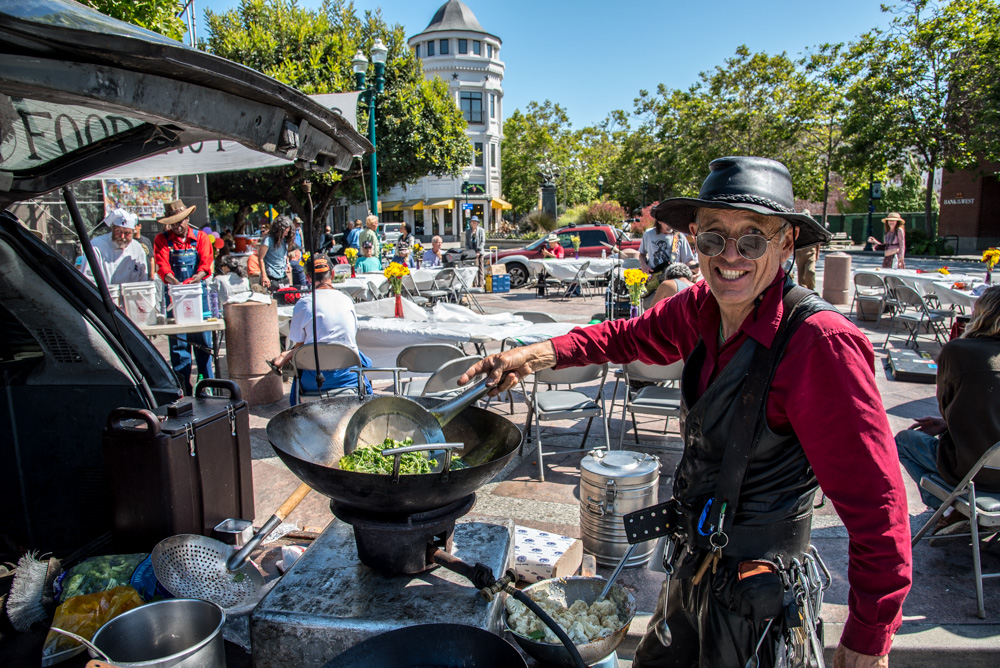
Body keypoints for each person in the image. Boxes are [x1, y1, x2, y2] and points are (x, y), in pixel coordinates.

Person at [460, 157, 911, 668]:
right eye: (714, 238)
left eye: (753, 240)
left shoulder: (820, 344)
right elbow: (622, 336)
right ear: (694, 238)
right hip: (691, 570)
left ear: (786, 243)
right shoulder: (699, 308)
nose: (730, 257)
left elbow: (878, 506)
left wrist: (870, 636)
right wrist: (531, 355)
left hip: (759, 598)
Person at [895, 286, 1000, 534]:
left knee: (903, 441)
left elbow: (946, 404)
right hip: (991, 459)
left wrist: (948, 421)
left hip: (973, 470)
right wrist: (947, 424)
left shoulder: (959, 351)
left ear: (981, 313)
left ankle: (951, 508)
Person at [269, 257, 372, 404]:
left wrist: (286, 355)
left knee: (301, 363)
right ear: (333, 274)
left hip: (314, 380)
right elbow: (349, 337)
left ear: (308, 278)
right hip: (348, 377)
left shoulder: (304, 304)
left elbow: (299, 343)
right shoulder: (347, 300)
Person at [153, 199, 215, 395]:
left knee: (203, 344)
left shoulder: (201, 238)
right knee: (179, 348)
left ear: (188, 218)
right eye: (173, 223)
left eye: (180, 221)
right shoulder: (161, 240)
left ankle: (207, 386)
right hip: (175, 297)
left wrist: (194, 280)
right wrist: (176, 284)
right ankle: (183, 389)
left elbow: (206, 265)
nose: (177, 226)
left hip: (198, 297)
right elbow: (162, 267)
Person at [82, 208, 148, 286]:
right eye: (118, 231)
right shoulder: (97, 245)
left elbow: (143, 279)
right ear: (112, 229)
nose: (122, 236)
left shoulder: (137, 248)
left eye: (127, 233)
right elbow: (87, 277)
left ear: (133, 232)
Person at [258, 215, 293, 291]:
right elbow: (260, 258)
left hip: (283, 275)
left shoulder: (284, 240)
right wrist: (264, 276)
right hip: (271, 277)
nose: (286, 234)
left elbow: (285, 254)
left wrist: (288, 264)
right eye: (285, 232)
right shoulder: (268, 240)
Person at [794, 209, 820, 290]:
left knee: (810, 271)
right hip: (800, 253)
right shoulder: (797, 227)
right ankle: (804, 291)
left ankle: (812, 289)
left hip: (810, 253)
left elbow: (818, 241)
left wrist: (817, 254)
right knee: (801, 276)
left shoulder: (813, 227)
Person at [465, 215, 486, 286]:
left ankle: (481, 284)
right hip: (472, 253)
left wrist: (478, 251)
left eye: (475, 222)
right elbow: (466, 243)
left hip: (479, 252)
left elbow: (482, 242)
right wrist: (470, 253)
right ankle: (475, 284)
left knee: (480, 268)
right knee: (473, 269)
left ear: (477, 223)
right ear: (470, 223)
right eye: (472, 221)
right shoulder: (468, 232)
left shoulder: (481, 230)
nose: (473, 223)